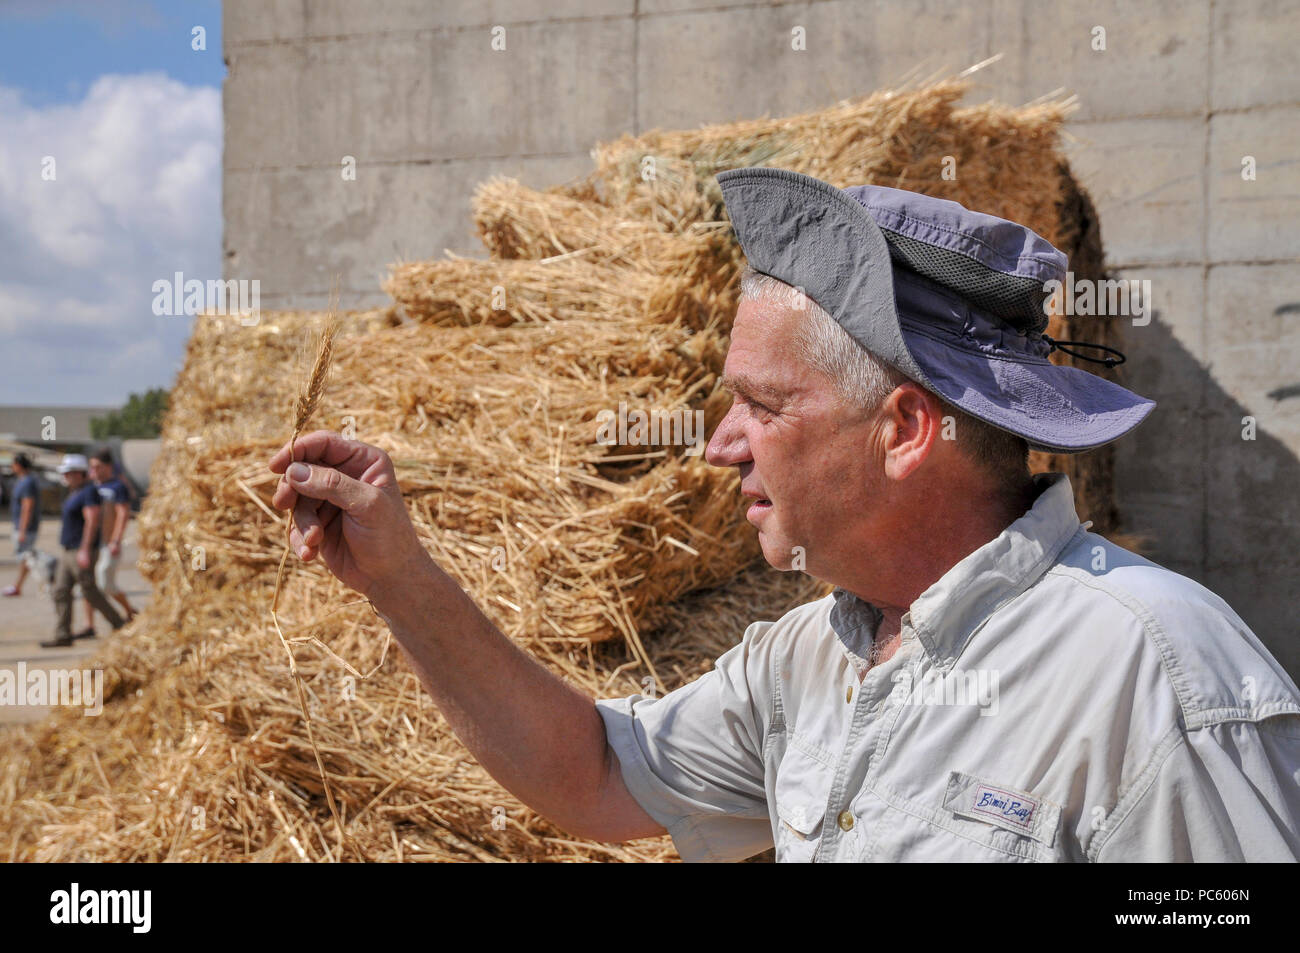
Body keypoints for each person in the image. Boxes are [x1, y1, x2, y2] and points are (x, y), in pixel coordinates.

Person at [268, 167, 1300, 862]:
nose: (719, 443)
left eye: (762, 405)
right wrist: (400, 578)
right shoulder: (812, 654)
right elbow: (589, 774)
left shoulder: (1159, 681)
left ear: (902, 429)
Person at [41, 453, 124, 649]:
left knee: (90, 591)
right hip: (68, 550)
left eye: (70, 473)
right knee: (60, 590)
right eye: (66, 473)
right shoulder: (74, 492)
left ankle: (119, 624)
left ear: (80, 474)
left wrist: (85, 549)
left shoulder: (88, 492)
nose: (66, 476)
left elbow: (92, 520)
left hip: (80, 550)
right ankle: (63, 635)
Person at [81, 447, 137, 632]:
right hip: (91, 543)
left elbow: (123, 514)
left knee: (105, 582)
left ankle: (129, 610)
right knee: (87, 583)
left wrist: (116, 540)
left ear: (108, 467)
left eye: (98, 467)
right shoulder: (90, 488)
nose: (94, 471)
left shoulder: (117, 487)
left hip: (107, 542)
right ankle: (89, 624)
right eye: (92, 467)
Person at [3, 452, 44, 597]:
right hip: (22, 526)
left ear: (19, 465)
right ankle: (18, 585)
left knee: (28, 558)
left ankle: (46, 581)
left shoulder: (27, 482)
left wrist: (22, 529)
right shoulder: (23, 480)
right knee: (27, 558)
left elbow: (28, 506)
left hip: (26, 528)